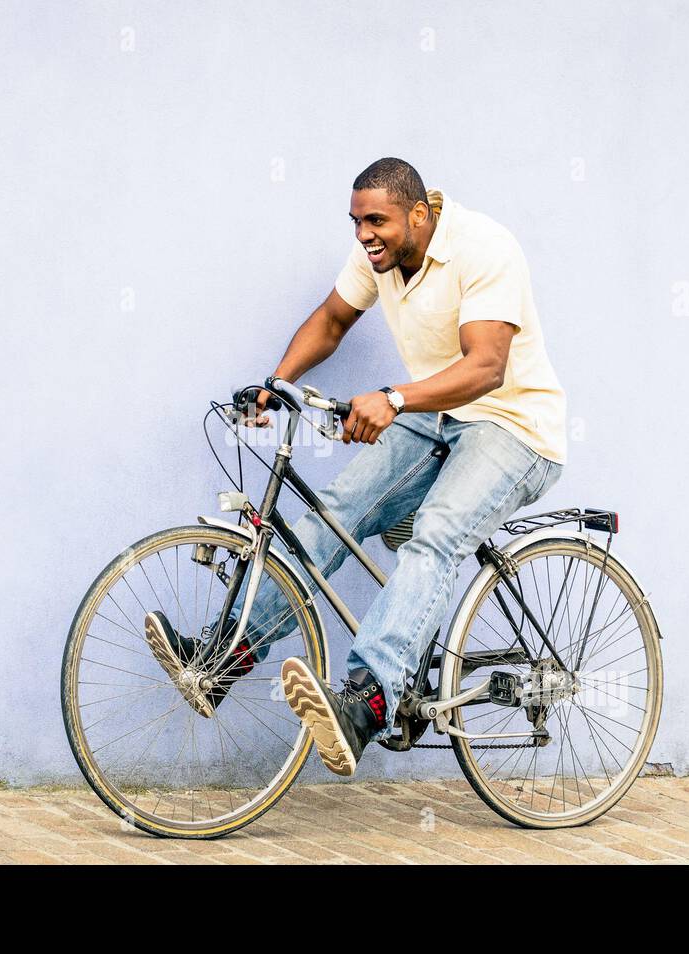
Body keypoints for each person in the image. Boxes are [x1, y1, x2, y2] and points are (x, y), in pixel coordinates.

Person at [144, 157, 567, 776]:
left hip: (514, 426)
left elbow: (486, 368)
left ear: (419, 215)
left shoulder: (484, 247)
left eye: (377, 221)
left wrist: (394, 399)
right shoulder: (382, 258)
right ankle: (225, 656)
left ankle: (369, 700)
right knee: (338, 509)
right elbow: (333, 319)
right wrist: (277, 383)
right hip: (440, 414)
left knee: (438, 536)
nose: (365, 234)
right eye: (356, 222)